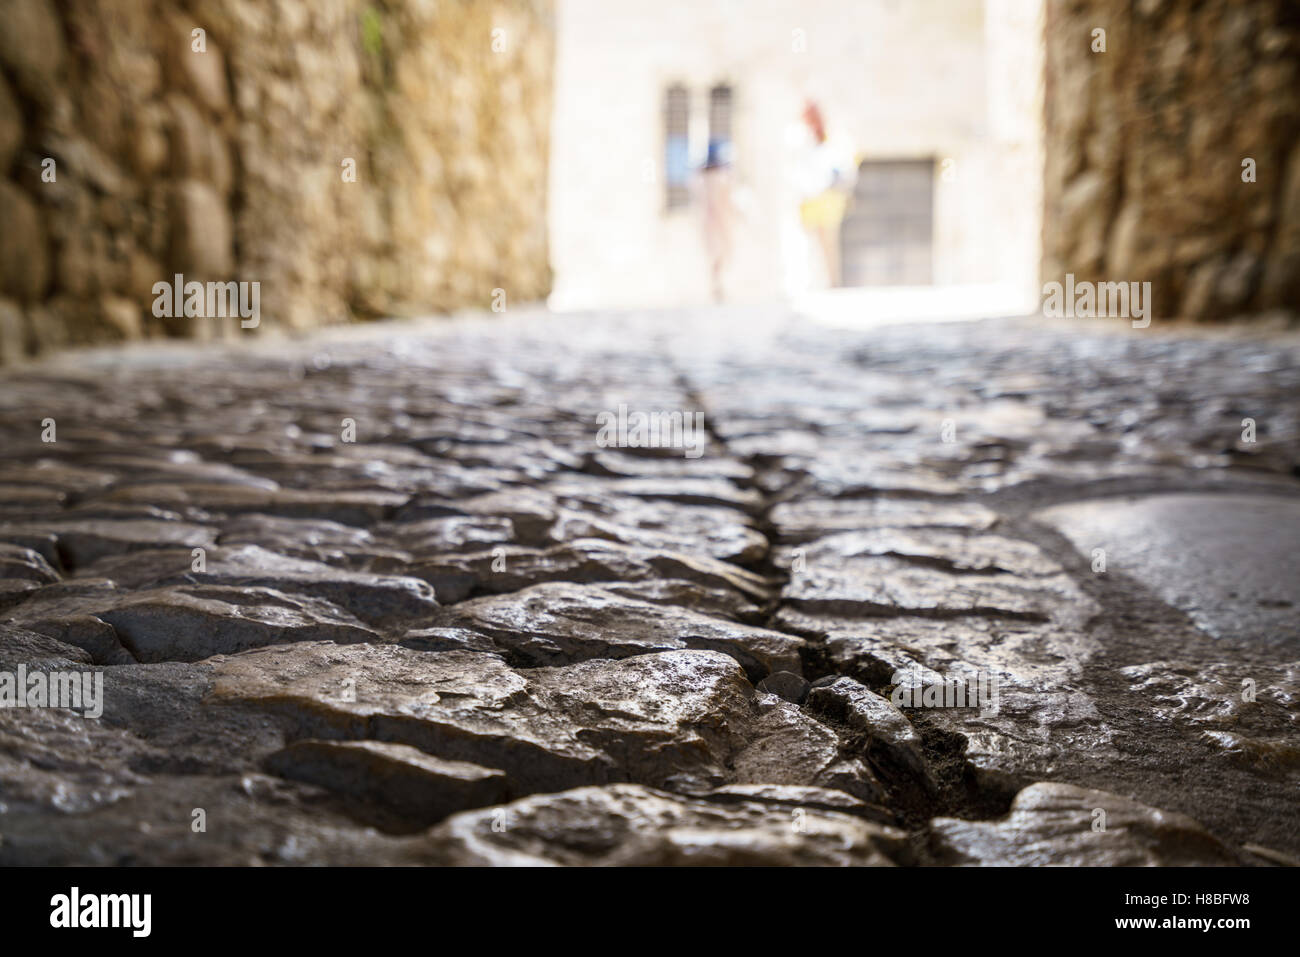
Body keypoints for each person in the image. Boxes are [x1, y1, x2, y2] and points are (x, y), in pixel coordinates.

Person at [792, 100, 856, 288]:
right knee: (810, 241)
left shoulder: (832, 137)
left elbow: (843, 162)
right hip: (809, 196)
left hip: (828, 196)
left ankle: (832, 282)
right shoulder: (802, 138)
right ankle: (814, 281)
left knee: (827, 240)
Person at [699, 138, 736, 303]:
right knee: (719, 255)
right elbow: (721, 203)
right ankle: (718, 288)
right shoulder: (719, 178)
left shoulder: (701, 179)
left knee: (715, 255)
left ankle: (718, 287)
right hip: (718, 221)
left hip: (710, 222)